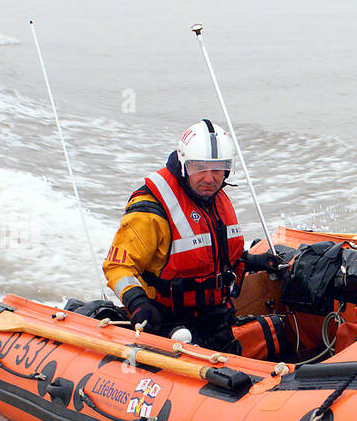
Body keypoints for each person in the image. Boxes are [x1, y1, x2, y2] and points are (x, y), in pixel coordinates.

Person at [102, 119, 251, 351]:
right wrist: (137, 302)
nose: (209, 178)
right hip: (166, 319)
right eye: (199, 168)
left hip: (213, 315)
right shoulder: (152, 207)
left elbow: (213, 253)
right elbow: (117, 266)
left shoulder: (216, 197)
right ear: (183, 164)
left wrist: (247, 260)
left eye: (217, 169)